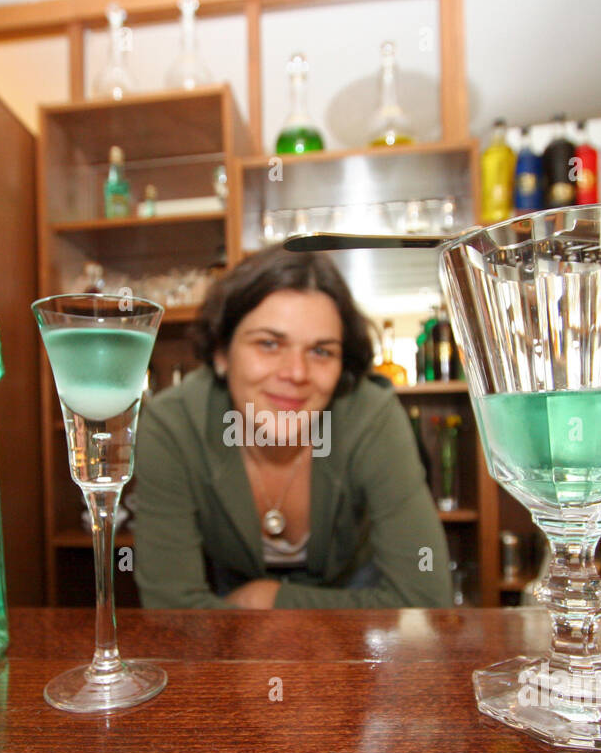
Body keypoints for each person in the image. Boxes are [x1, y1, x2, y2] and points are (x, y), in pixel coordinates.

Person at [132, 246, 452, 609]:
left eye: (321, 351)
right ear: (221, 353)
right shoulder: (172, 426)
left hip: (357, 601)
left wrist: (269, 598)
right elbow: (171, 609)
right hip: (229, 611)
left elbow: (426, 598)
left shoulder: (371, 414)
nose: (296, 373)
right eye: (269, 344)